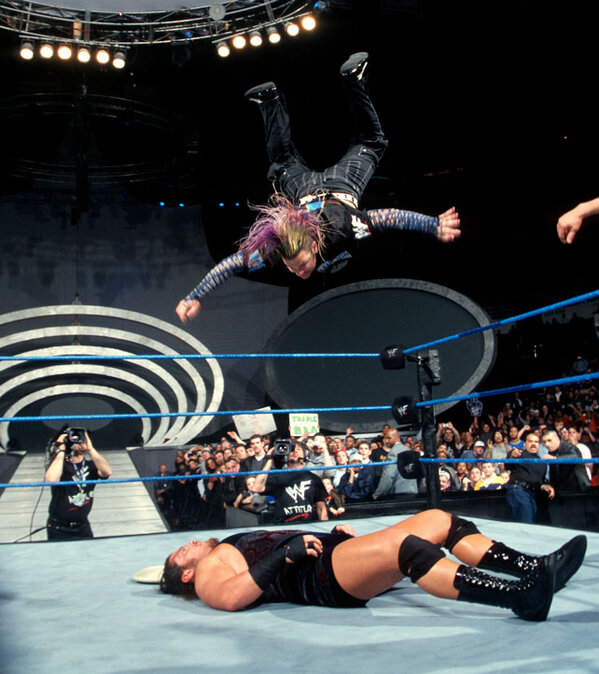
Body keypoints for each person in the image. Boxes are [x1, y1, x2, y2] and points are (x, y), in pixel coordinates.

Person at [175, 52, 461, 324]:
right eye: (293, 268)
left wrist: (431, 225)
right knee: (290, 161)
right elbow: (233, 264)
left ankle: (336, 84)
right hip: (317, 191)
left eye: (300, 265)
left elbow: (387, 217)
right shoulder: (283, 248)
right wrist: (194, 296)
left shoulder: (339, 228)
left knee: (363, 145)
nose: (298, 273)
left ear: (314, 245)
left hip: (334, 186)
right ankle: (285, 96)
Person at [160, 508, 587, 623]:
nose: (191, 543)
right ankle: (520, 597)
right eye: (182, 552)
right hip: (320, 578)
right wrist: (281, 557)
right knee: (408, 548)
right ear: (187, 574)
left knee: (440, 520)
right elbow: (231, 598)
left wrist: (334, 537)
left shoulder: (220, 548)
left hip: (334, 557)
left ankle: (534, 568)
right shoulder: (208, 574)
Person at [45, 428, 112, 540]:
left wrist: (90, 449)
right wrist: (61, 450)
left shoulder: (91, 465)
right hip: (59, 527)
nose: (78, 442)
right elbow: (51, 480)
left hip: (82, 526)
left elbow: (107, 472)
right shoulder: (60, 465)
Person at [251, 442, 328, 524]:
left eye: (298, 449)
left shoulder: (313, 478)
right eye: (291, 449)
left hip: (307, 525)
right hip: (283, 526)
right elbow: (256, 488)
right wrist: (269, 459)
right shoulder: (277, 476)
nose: (295, 451)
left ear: (305, 454)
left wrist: (325, 527)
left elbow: (321, 508)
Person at [505, 431, 554, 523]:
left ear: (539, 445)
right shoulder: (519, 454)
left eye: (536, 442)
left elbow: (538, 482)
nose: (533, 444)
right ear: (525, 444)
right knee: (527, 522)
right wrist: (511, 455)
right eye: (530, 441)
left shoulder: (542, 462)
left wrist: (545, 486)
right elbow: (508, 464)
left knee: (532, 522)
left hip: (532, 494)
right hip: (519, 491)